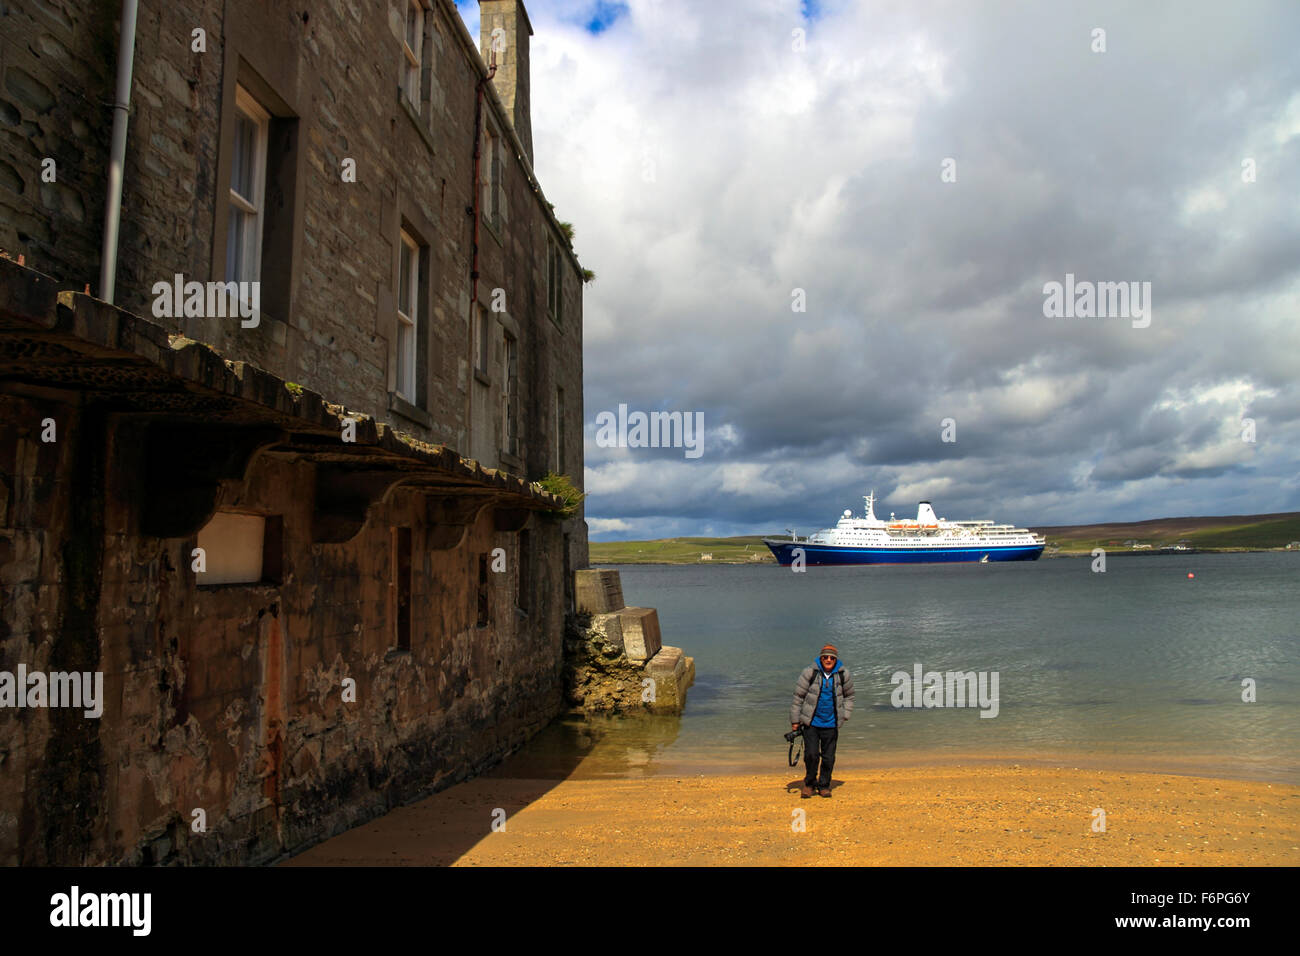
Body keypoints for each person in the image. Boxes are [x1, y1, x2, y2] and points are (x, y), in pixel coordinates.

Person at [790, 644, 855, 798]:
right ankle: (809, 784)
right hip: (811, 722)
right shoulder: (809, 673)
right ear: (821, 658)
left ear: (835, 660)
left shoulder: (843, 674)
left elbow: (850, 696)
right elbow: (798, 697)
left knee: (829, 757)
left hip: (831, 724)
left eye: (831, 658)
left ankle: (824, 785)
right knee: (811, 755)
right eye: (825, 657)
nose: (828, 660)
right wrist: (795, 720)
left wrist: (845, 715)